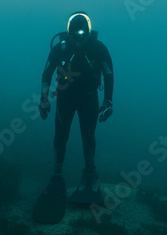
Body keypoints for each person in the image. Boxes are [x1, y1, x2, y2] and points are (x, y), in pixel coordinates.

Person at [38, 12, 114, 192]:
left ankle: (90, 173)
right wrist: (43, 100)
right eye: (75, 35)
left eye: (83, 35)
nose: (79, 39)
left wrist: (108, 101)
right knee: (61, 136)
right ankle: (57, 177)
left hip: (89, 97)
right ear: (69, 33)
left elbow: (109, 75)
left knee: (88, 136)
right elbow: (46, 74)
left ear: (88, 32)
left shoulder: (98, 48)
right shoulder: (61, 48)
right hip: (66, 98)